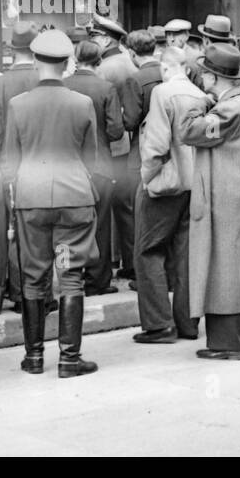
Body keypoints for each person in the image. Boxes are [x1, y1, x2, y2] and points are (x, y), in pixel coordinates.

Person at [3, 28, 100, 377]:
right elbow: (92, 159)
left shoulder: (18, 105)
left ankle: (33, 357)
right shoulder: (82, 103)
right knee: (70, 274)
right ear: (67, 63)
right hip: (73, 200)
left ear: (35, 61)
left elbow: (9, 162)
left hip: (31, 201)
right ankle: (69, 359)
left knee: (34, 276)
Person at [177, 43, 240, 359]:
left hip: (227, 200)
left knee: (222, 268)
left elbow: (188, 131)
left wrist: (199, 102)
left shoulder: (229, 109)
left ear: (214, 77)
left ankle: (226, 343)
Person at [134, 45, 203, 342]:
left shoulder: (163, 94)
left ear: (165, 67)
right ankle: (188, 324)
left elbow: (156, 146)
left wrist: (146, 177)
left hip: (164, 184)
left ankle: (159, 324)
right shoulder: (202, 96)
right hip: (193, 184)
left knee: (148, 251)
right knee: (186, 254)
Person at [0, 21, 39, 311]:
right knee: (40, 234)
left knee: (12, 231)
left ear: (11, 50)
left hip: (8, 168)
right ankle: (38, 293)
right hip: (43, 167)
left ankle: (18, 292)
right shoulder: (46, 81)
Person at [64, 40, 125, 297]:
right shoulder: (106, 88)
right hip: (101, 165)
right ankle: (98, 281)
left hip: (68, 166)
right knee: (100, 225)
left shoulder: (64, 86)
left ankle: (68, 276)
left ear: (76, 59)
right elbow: (116, 130)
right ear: (99, 60)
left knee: (68, 227)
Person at [91, 15, 142, 282]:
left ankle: (119, 265)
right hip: (126, 144)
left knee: (112, 206)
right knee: (125, 207)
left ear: (104, 39)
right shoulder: (126, 61)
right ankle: (130, 262)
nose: (93, 41)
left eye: (95, 37)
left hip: (113, 145)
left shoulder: (106, 68)